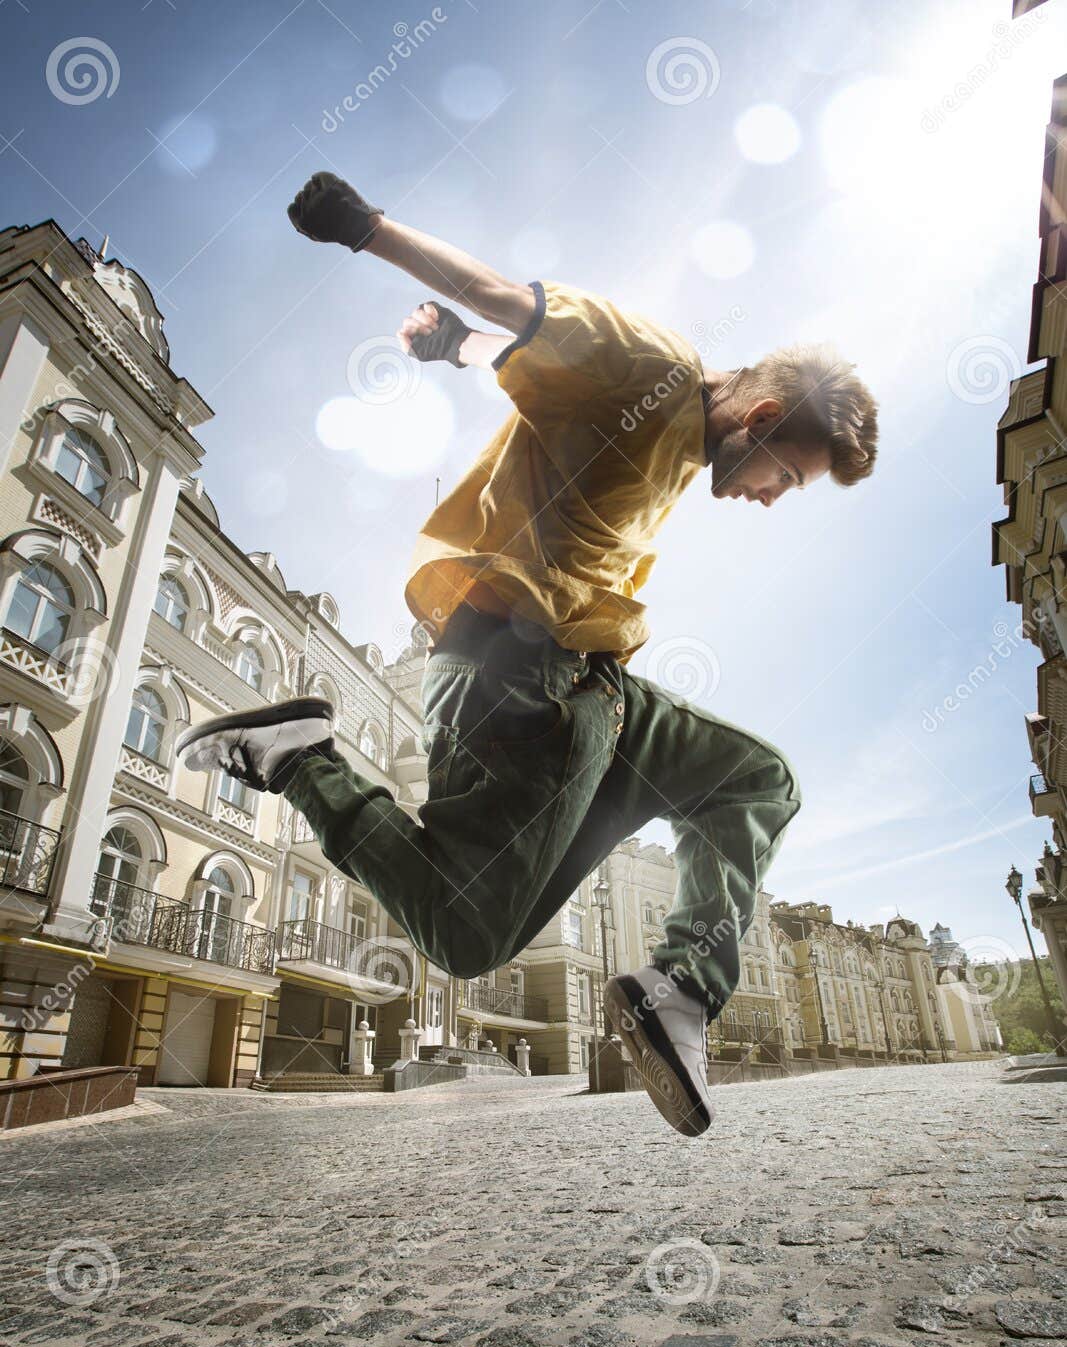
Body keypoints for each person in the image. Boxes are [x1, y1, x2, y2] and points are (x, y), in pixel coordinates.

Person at [178, 173, 878, 1137]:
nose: (769, 499)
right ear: (760, 421)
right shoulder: (654, 367)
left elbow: (511, 353)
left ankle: (677, 987)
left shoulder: (667, 435)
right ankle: (300, 758)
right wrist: (366, 230)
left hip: (597, 688)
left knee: (755, 780)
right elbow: (511, 301)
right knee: (466, 935)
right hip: (511, 678)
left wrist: (443, 349)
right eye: (785, 479)